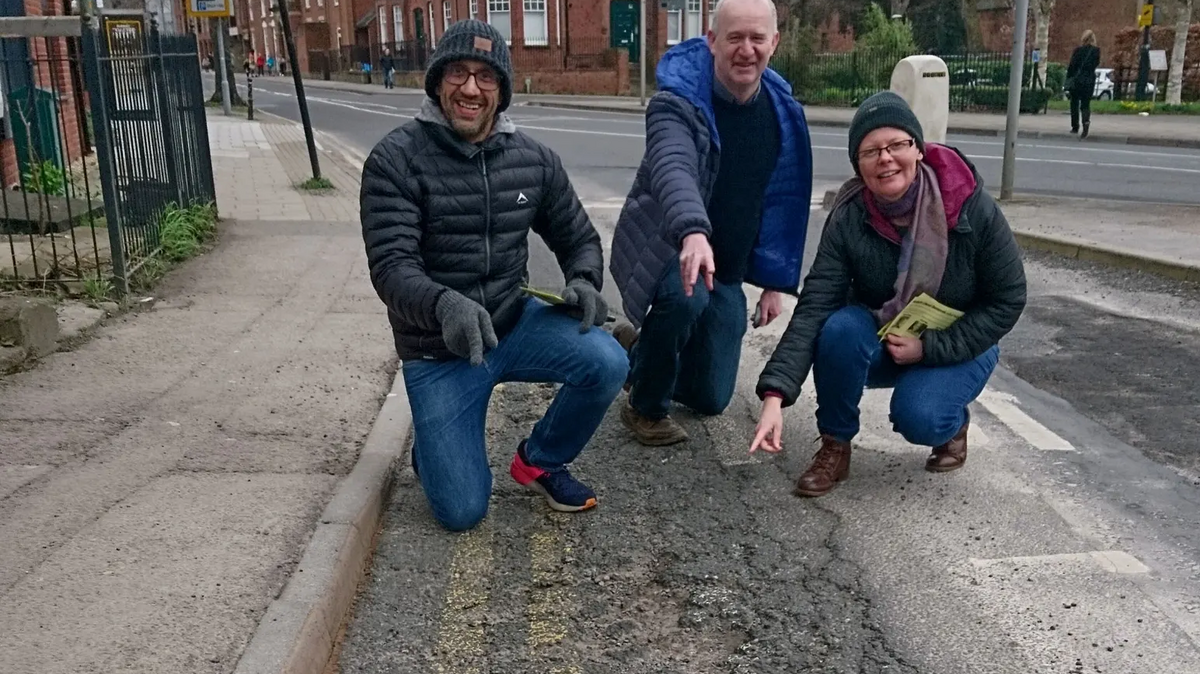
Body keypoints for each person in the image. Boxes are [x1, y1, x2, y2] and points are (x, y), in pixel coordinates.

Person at [360, 19, 629, 531]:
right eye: (458, 73)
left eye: (485, 77)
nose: (470, 88)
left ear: (501, 90)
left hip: (512, 322)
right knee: (462, 511)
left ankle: (541, 459)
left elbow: (578, 237)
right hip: (439, 348)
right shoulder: (395, 161)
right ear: (438, 82)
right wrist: (445, 304)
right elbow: (392, 269)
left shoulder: (533, 160)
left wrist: (585, 280)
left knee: (608, 361)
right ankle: (437, 448)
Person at [750, 91, 1027, 497]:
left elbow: (1008, 299)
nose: (885, 158)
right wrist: (775, 393)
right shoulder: (849, 216)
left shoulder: (970, 206)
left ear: (917, 149)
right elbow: (815, 305)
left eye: (897, 144)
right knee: (839, 328)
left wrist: (929, 348)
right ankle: (835, 444)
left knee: (919, 418)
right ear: (858, 165)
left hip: (963, 340)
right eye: (870, 151)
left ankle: (953, 425)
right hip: (885, 338)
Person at [609, 0, 814, 446]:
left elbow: (780, 200)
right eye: (734, 37)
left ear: (773, 43)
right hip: (670, 245)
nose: (746, 50)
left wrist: (774, 281)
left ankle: (638, 352)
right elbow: (673, 165)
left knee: (711, 397)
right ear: (712, 41)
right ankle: (644, 407)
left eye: (757, 38)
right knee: (686, 299)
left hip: (728, 269)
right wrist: (693, 231)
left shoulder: (782, 114)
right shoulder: (677, 99)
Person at [1066, 30, 1100, 138]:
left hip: (1077, 80)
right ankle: (1086, 123)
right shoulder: (1096, 51)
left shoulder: (1078, 51)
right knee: (1086, 103)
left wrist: (1069, 79)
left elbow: (1072, 66)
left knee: (1074, 103)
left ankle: (1075, 126)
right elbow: (1095, 64)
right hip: (1089, 80)